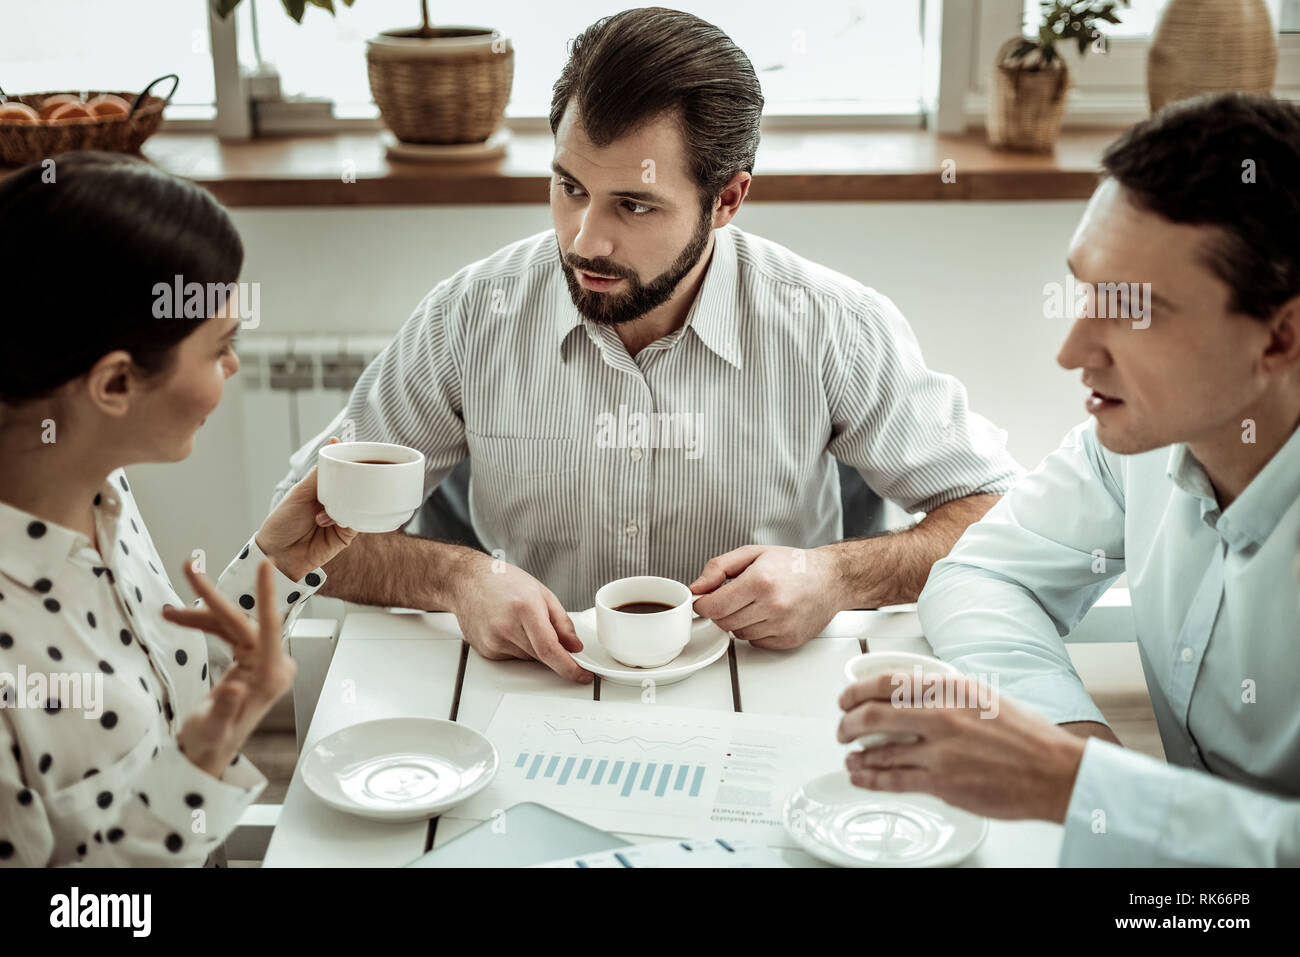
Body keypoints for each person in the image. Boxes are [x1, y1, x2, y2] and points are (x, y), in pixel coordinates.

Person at [270, 7, 1023, 681]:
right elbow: (298, 533)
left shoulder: (832, 325)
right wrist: (456, 579)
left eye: (634, 204)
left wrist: (841, 577)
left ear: (727, 198)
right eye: (569, 187)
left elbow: (994, 513)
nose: (585, 239)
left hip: (760, 693)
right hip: (530, 690)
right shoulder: (470, 317)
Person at [837, 93, 1300, 865]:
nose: (1073, 349)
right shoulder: (1142, 442)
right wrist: (1076, 746)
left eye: (1137, 311)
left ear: (1280, 336)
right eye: (1086, 289)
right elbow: (979, 573)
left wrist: (1075, 782)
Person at [0, 151, 358, 866]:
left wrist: (278, 562)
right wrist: (210, 750)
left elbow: (159, 689)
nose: (232, 365)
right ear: (116, 383)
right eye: (221, 346)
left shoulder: (97, 488)